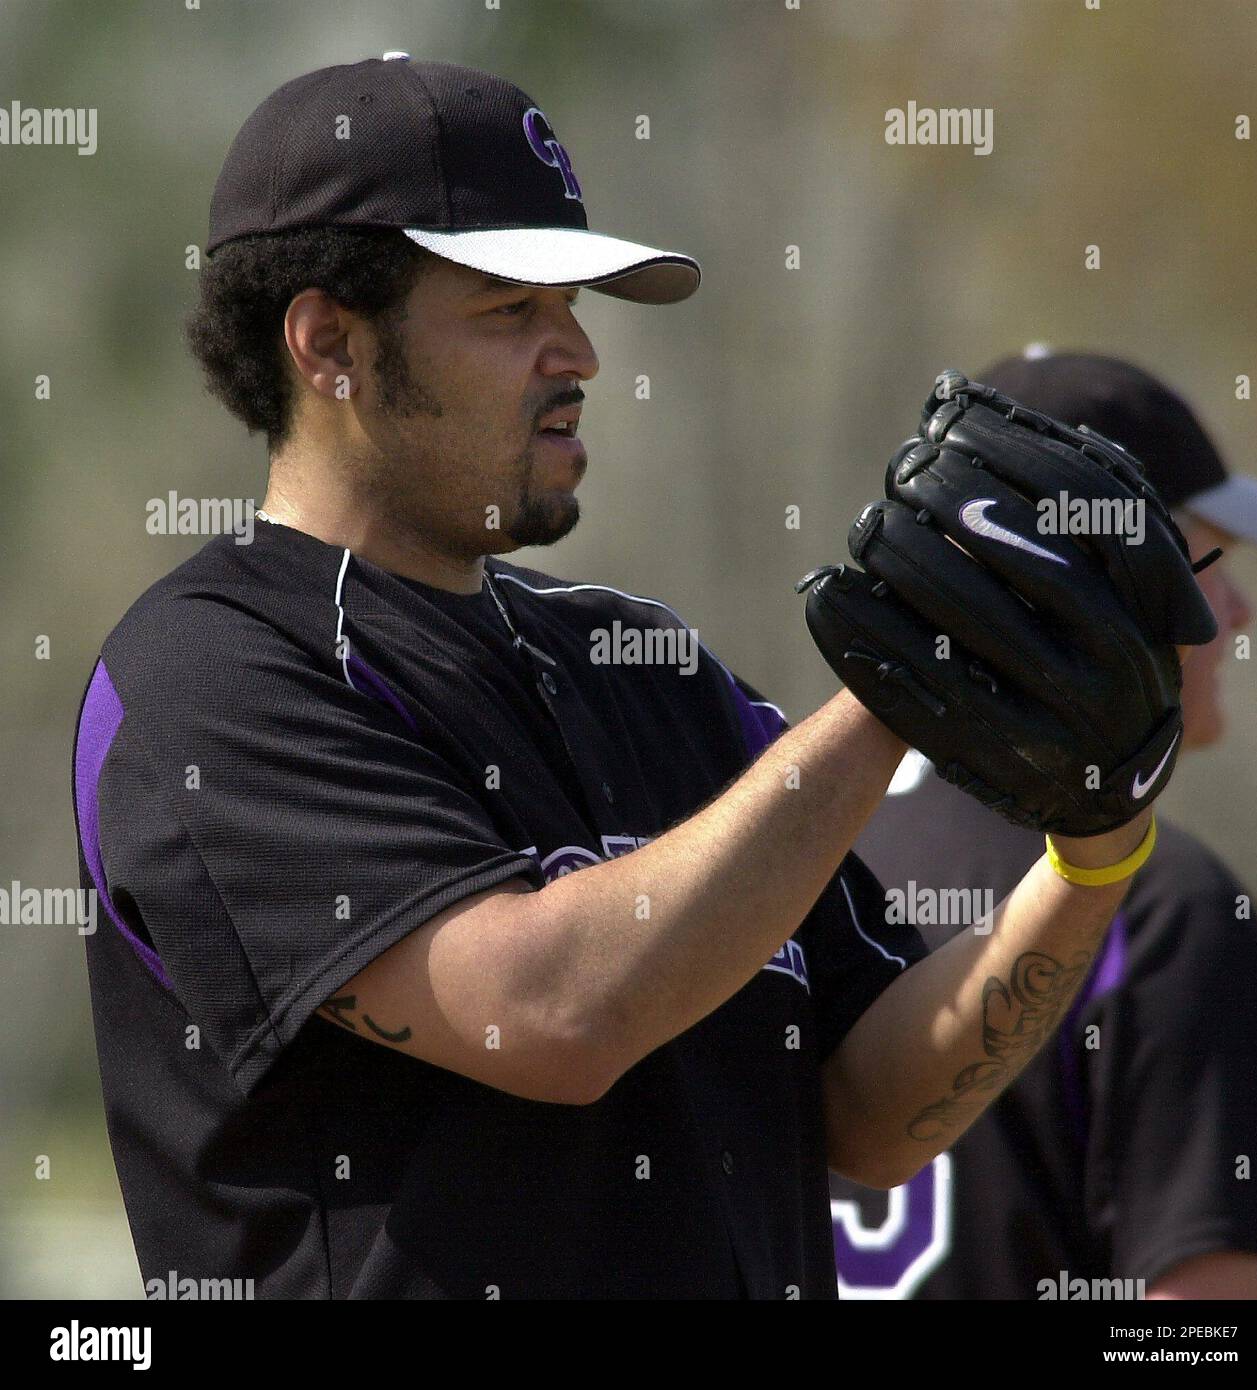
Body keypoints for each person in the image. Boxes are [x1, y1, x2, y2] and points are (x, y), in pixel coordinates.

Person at [73, 58, 1164, 1299]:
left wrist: (1094, 855)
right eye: (507, 309)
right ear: (329, 344)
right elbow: (552, 1014)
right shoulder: (211, 674)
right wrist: (892, 692)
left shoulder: (642, 664)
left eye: (576, 304)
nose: (579, 351)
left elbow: (870, 1115)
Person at [829, 350, 1257, 1301]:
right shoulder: (1164, 908)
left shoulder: (803, 866)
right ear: (1094, 585)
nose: (1236, 613)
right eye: (1206, 564)